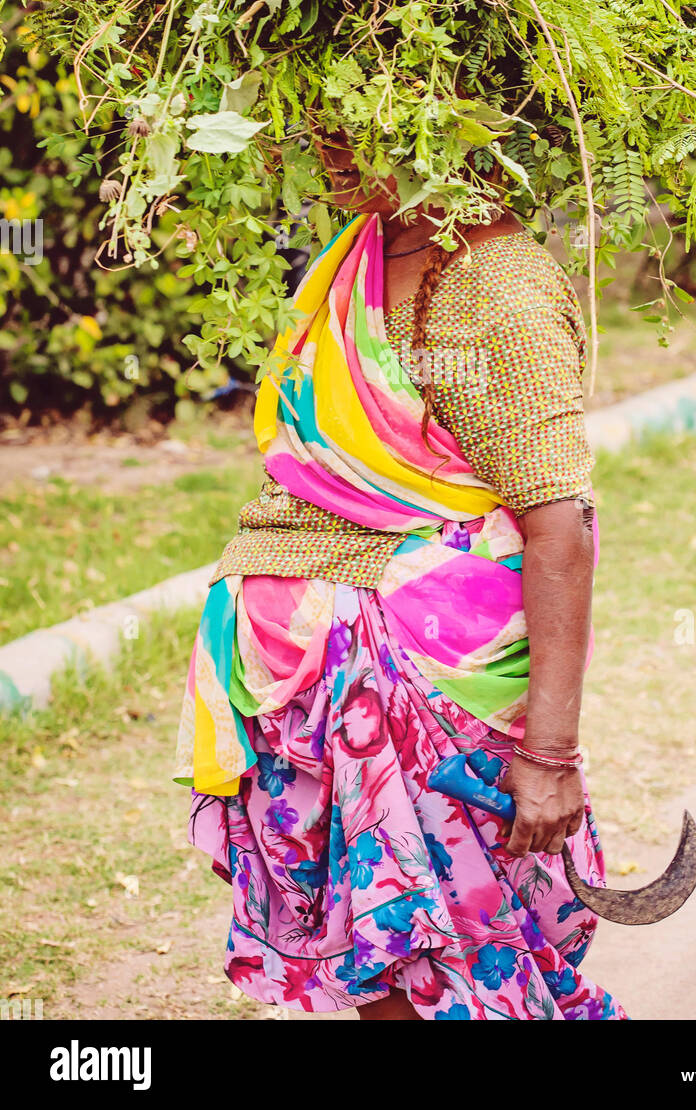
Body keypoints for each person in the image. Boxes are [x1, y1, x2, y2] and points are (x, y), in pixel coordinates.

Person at [173, 132, 627, 1021]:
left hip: (429, 693)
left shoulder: (499, 291)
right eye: (318, 118)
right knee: (378, 974)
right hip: (304, 690)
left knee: (467, 965)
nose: (329, 147)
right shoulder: (364, 257)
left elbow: (559, 528)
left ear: (442, 115)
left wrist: (549, 756)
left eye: (358, 121)